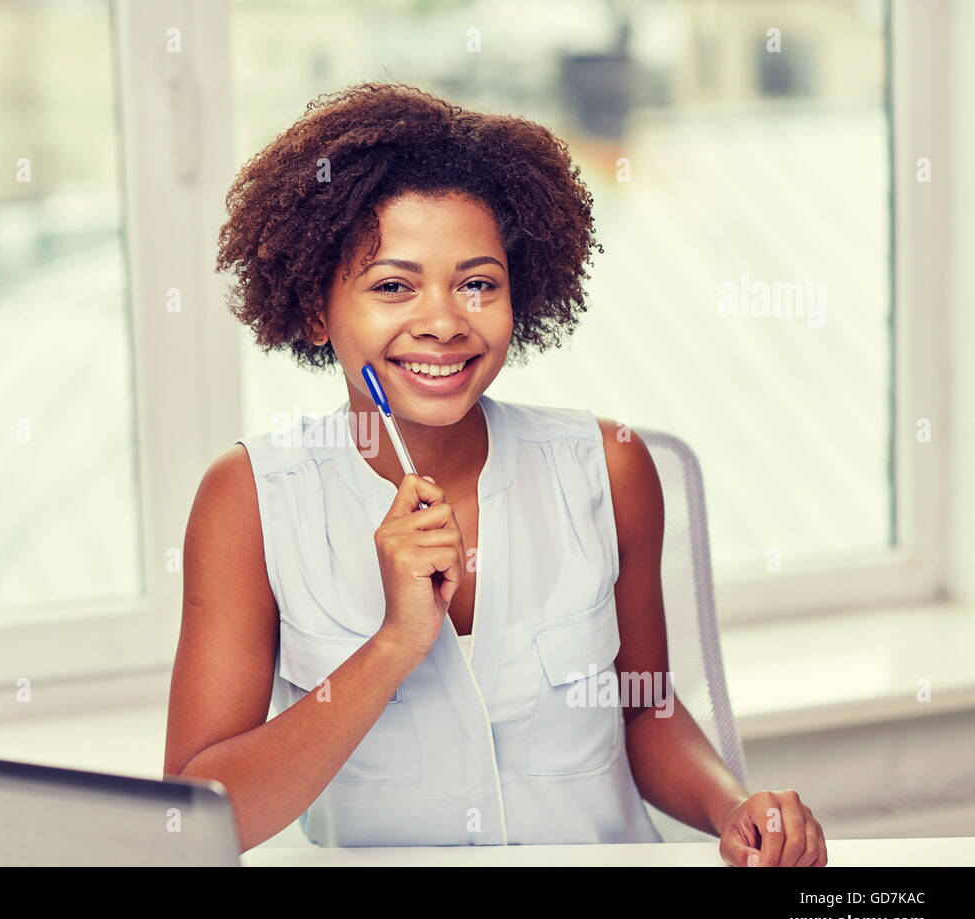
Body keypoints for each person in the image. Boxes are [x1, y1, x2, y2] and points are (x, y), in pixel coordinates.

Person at [165, 81, 826, 866]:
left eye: (477, 283)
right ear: (316, 310)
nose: (444, 321)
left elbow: (642, 711)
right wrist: (394, 644)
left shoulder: (609, 470)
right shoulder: (249, 500)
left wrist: (733, 807)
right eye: (392, 286)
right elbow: (200, 818)